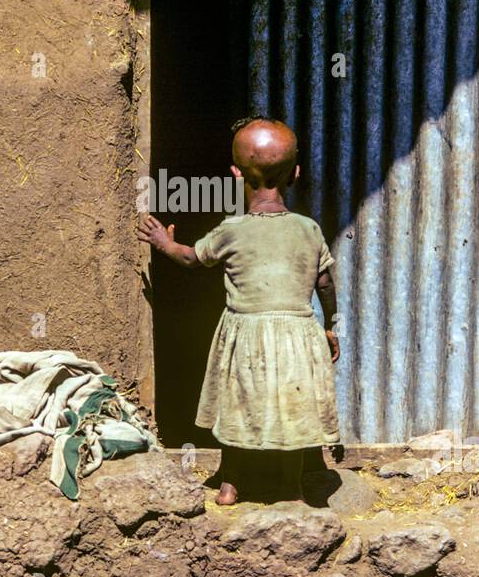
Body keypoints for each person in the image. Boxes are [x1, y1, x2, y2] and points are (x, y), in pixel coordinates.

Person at [137, 116, 340, 504]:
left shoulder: (231, 229)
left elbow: (192, 258)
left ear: (234, 174)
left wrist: (163, 243)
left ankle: (230, 485)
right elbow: (325, 284)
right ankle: (292, 486)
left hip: (245, 333)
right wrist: (330, 325)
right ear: (295, 174)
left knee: (237, 403)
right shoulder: (308, 229)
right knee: (293, 407)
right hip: (298, 334)